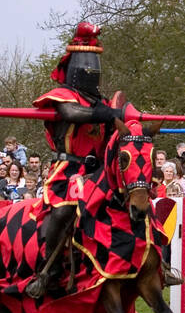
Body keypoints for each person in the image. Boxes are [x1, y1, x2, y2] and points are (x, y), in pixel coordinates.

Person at [25, 22, 129, 299]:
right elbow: (72, 114)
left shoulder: (101, 101)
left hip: (98, 170)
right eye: (85, 62)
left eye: (94, 62)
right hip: (69, 168)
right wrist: (105, 114)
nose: (90, 69)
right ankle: (48, 270)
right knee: (63, 211)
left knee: (128, 203)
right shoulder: (62, 96)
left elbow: (117, 124)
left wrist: (121, 114)